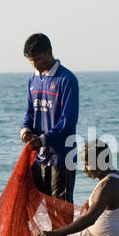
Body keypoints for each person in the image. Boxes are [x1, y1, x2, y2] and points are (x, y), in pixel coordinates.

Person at [20, 33, 79, 202]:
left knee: (60, 209)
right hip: (39, 157)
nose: (35, 64)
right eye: (31, 61)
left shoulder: (67, 80)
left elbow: (68, 121)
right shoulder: (33, 80)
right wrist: (25, 131)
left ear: (49, 52)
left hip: (62, 156)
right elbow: (31, 112)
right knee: (37, 206)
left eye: (38, 59)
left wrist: (43, 139)